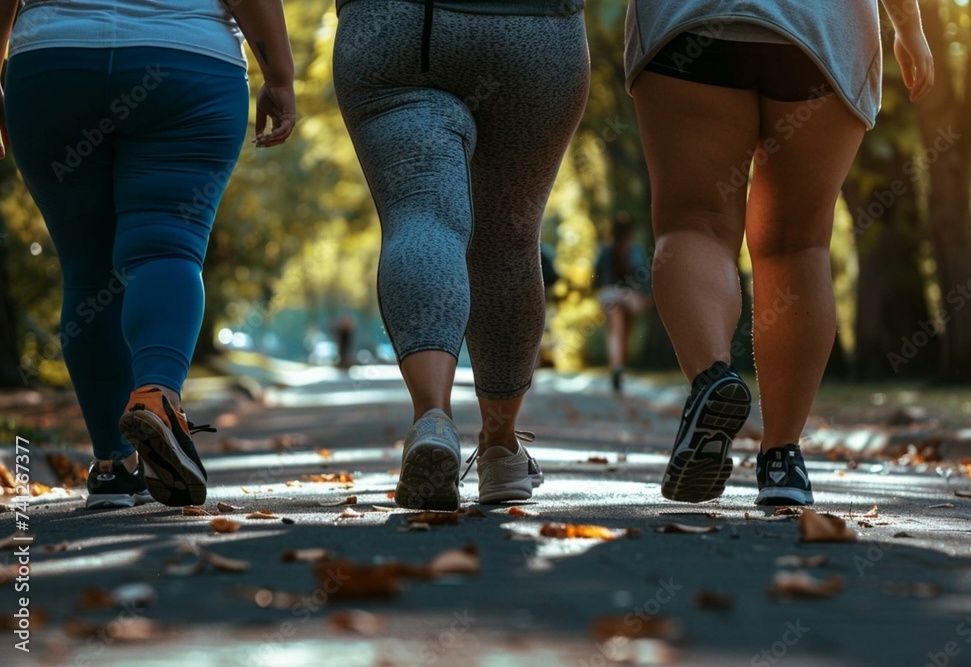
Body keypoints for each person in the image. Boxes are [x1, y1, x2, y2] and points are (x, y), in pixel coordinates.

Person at [625, 0, 933, 505]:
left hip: (690, 22)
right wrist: (910, 27)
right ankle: (782, 459)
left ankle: (712, 379)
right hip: (822, 31)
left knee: (694, 223)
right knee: (798, 243)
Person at [0, 0, 296, 508]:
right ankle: (157, 397)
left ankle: (114, 467)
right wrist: (281, 77)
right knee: (167, 247)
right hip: (186, 62)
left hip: (54, 64)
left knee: (87, 270)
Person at [334, 0, 589, 509]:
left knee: (421, 214)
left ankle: (433, 418)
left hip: (396, 26)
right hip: (535, 35)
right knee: (509, 243)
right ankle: (499, 449)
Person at [592, 212, 652, 393]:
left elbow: (596, 275)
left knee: (615, 331)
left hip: (609, 294)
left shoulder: (605, 248)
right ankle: (621, 365)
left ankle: (616, 366)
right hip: (629, 296)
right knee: (627, 332)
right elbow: (642, 273)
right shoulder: (635, 249)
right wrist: (646, 295)